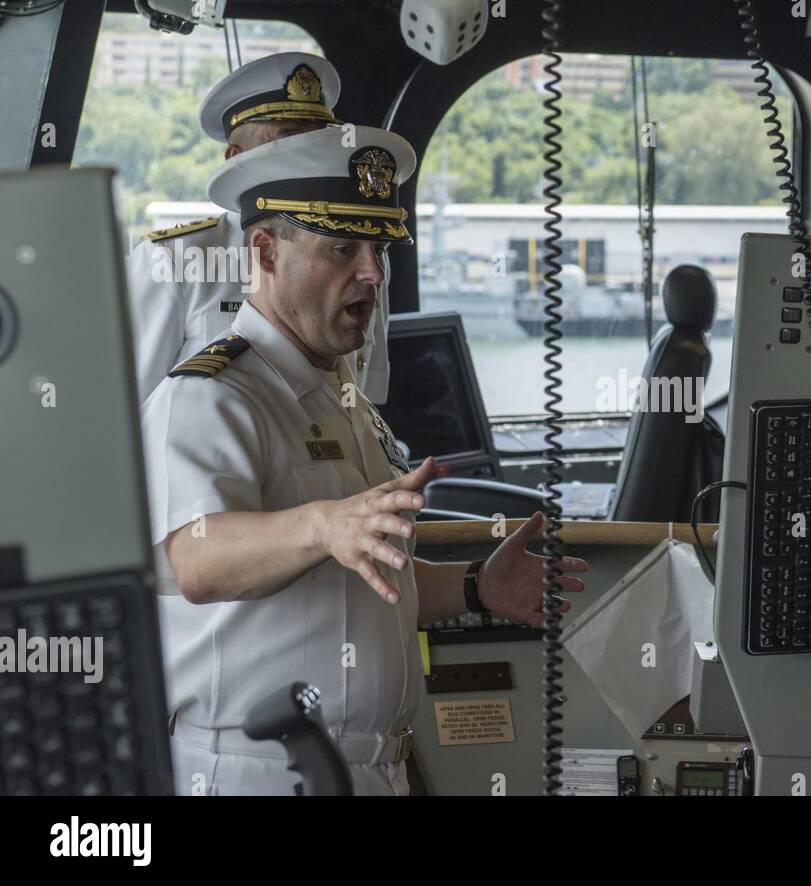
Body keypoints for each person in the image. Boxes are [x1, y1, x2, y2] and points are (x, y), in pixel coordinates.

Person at [141, 123, 587, 795]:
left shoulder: (344, 399)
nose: (372, 271)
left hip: (374, 770)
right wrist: (322, 524)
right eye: (342, 247)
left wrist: (474, 587)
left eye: (376, 247)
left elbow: (363, 583)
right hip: (256, 774)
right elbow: (195, 562)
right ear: (265, 251)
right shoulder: (211, 396)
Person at [125, 52, 391, 405]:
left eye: (317, 141)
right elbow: (125, 412)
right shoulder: (173, 260)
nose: (307, 159)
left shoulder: (362, 261)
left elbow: (362, 403)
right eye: (287, 141)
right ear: (235, 156)